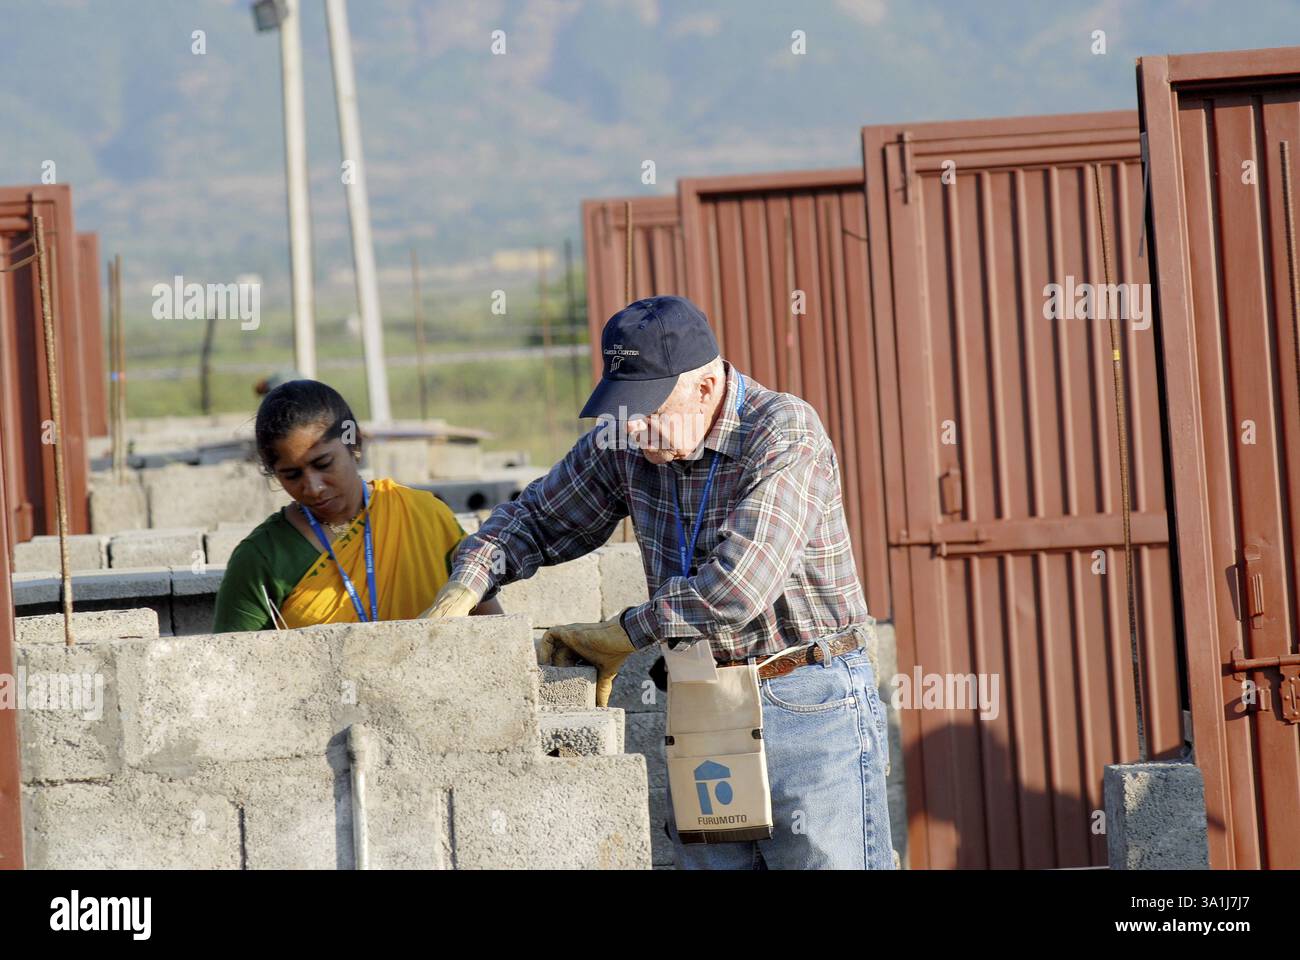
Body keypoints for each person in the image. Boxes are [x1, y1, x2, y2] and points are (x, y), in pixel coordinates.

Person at [424, 295, 893, 870]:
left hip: (803, 700)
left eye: (650, 408)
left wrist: (626, 631)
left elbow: (737, 589)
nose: (636, 427)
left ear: (704, 386)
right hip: (701, 706)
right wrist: (469, 580)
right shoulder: (628, 439)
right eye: (625, 409)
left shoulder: (783, 432)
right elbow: (534, 519)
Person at [213, 379, 501, 632]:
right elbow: (235, 671)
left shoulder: (425, 515)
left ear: (354, 442)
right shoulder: (260, 560)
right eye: (291, 475)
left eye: (323, 463)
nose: (313, 487)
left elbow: (493, 630)